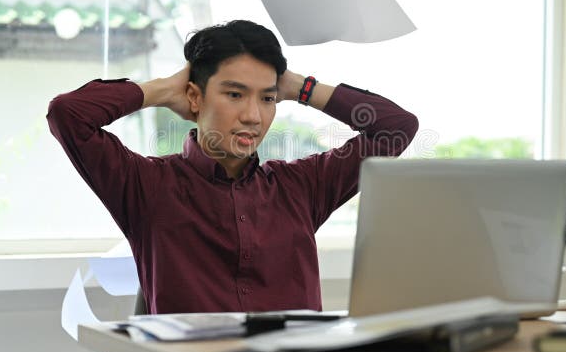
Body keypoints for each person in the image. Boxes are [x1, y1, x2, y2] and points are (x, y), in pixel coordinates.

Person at [48, 17, 418, 320]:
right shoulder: (144, 185)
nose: (253, 116)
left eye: (268, 98)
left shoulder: (302, 187)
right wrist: (161, 89)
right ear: (194, 96)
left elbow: (397, 127)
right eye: (235, 94)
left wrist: (299, 87)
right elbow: (69, 115)